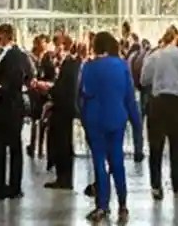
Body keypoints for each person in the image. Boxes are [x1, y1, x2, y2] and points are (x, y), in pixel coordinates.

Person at [79, 31, 142, 222]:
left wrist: (83, 118)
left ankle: (102, 206)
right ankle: (123, 205)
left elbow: (82, 94)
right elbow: (129, 98)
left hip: (95, 120)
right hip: (117, 119)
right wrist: (137, 125)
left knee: (99, 162)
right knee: (117, 160)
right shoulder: (122, 66)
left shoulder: (88, 67)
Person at [141, 28, 178, 199]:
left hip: (158, 103)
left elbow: (144, 80)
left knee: (156, 147)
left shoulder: (154, 56)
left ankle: (156, 186)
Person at [0, 23, 33, 201]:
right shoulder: (19, 55)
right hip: (12, 106)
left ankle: (6, 186)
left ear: (5, 35)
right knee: (13, 147)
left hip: (6, 106)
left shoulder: (14, 56)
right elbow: (28, 76)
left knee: (3, 146)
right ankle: (11, 185)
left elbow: (13, 80)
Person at [44, 34, 81, 190]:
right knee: (62, 143)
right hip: (64, 107)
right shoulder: (70, 63)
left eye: (58, 45)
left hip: (63, 108)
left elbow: (64, 88)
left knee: (62, 143)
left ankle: (64, 179)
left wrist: (48, 89)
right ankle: (62, 177)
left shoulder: (70, 64)